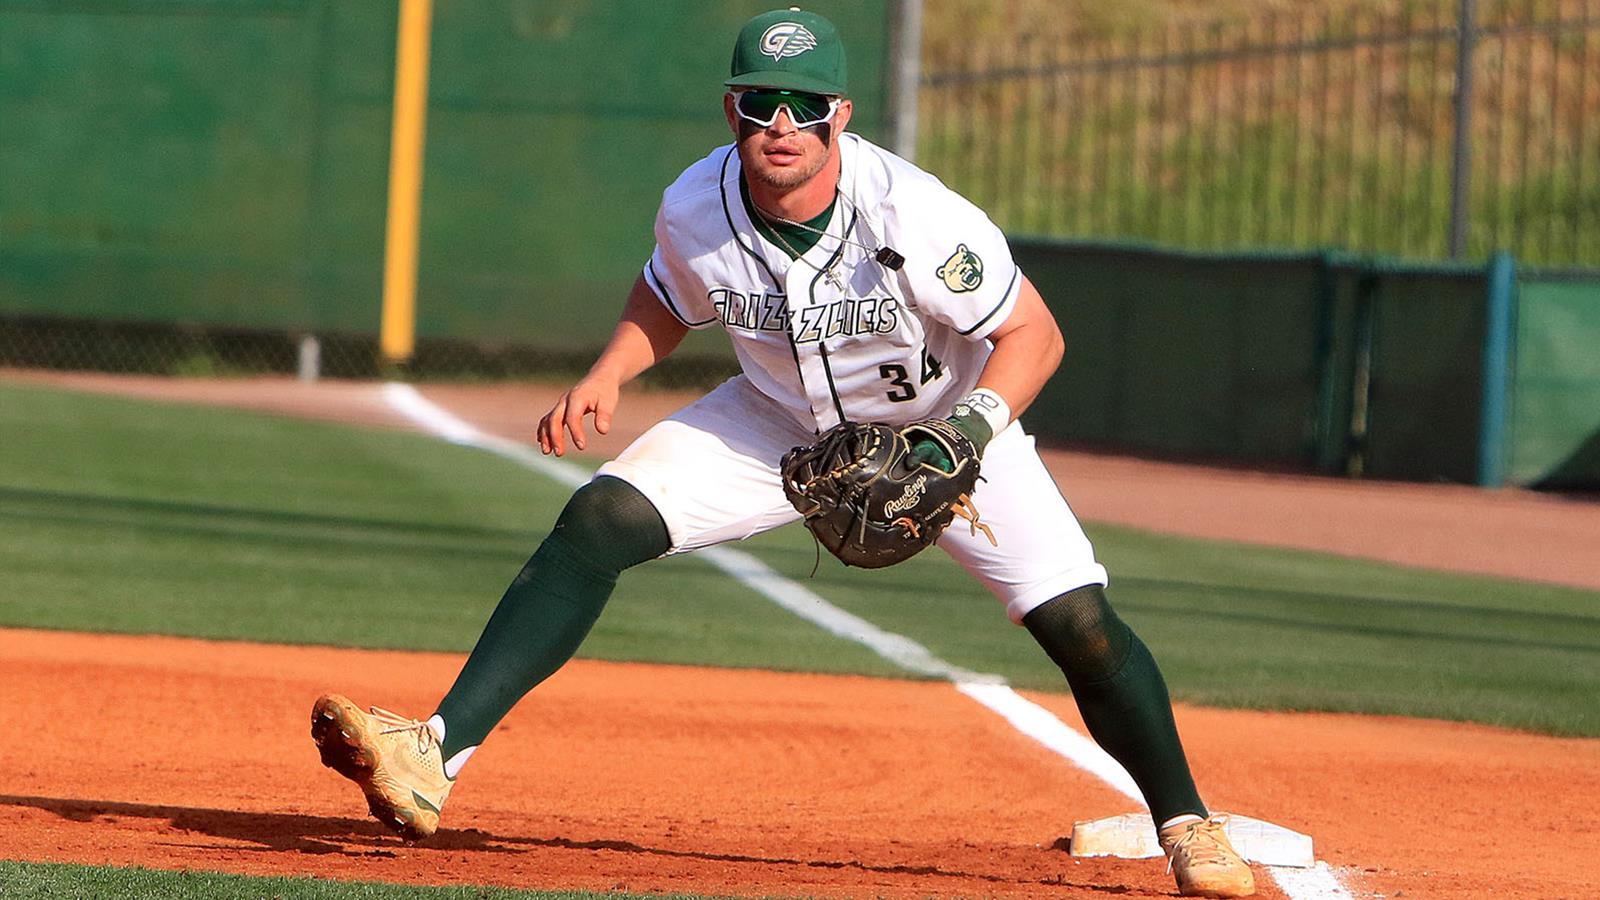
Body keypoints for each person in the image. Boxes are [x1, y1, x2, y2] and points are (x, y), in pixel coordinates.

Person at [311, 8, 1255, 897]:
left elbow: (1035, 337)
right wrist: (610, 371)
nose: (783, 123)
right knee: (600, 517)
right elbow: (665, 296)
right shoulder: (695, 206)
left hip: (945, 426)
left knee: (1077, 621)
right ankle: (436, 752)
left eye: (806, 104)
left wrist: (965, 434)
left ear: (841, 113)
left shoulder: (913, 215)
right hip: (775, 420)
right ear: (734, 110)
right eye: (763, 101)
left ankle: (1188, 822)